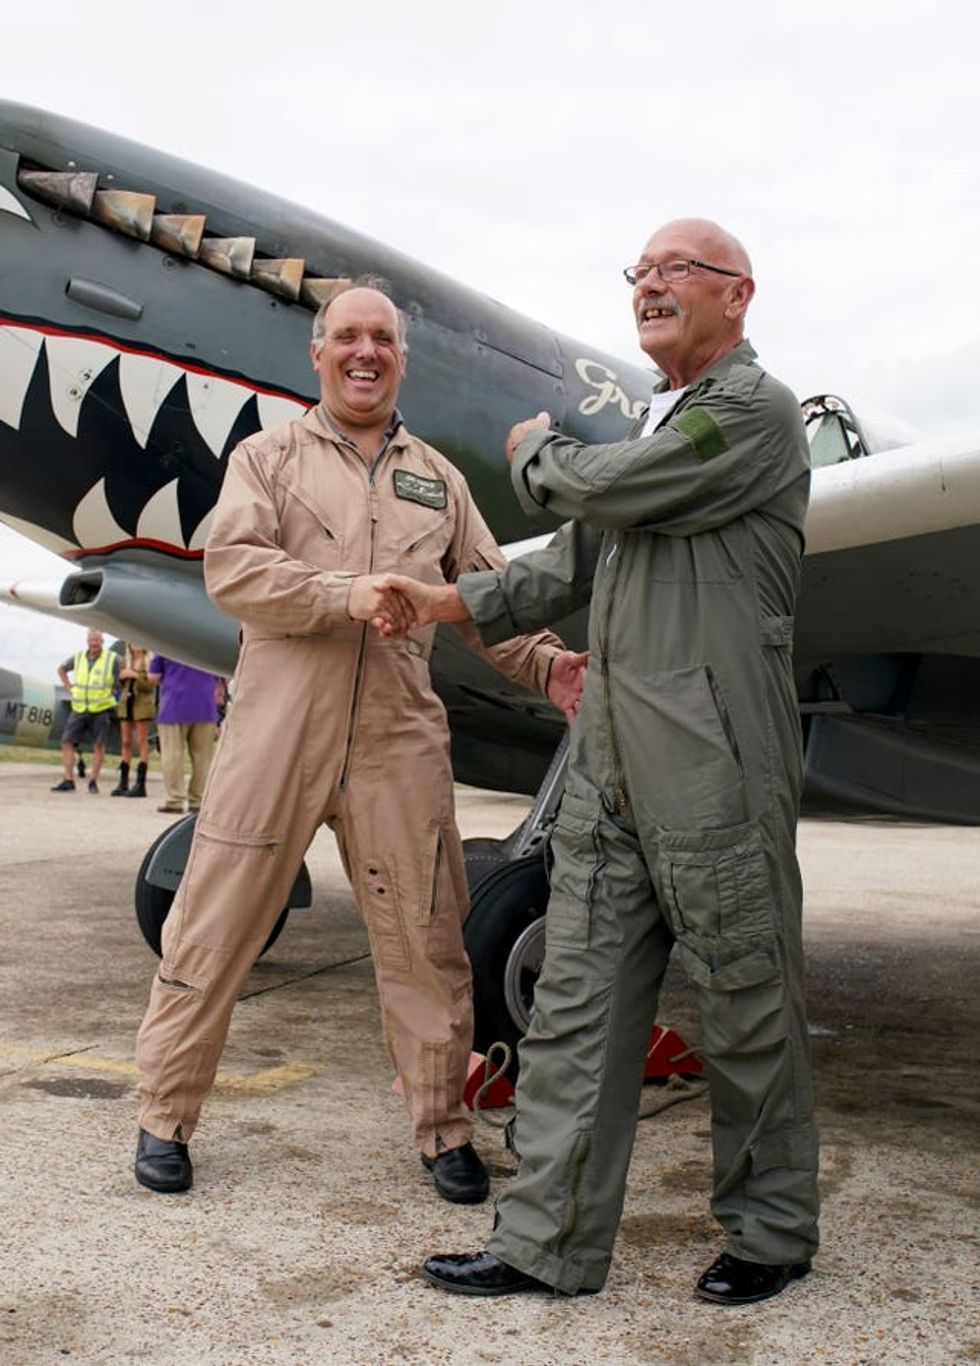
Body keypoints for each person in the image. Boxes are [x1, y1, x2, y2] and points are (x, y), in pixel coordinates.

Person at [379, 220, 819, 1306]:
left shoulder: (748, 413)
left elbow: (606, 490)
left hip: (713, 764)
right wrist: (445, 602)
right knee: (575, 1006)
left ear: (739, 294)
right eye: (641, 273)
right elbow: (566, 565)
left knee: (744, 1003)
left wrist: (535, 452)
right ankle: (545, 1243)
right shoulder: (656, 431)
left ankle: (770, 1232)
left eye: (678, 270)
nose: (650, 285)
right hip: (611, 762)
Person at [132, 283, 586, 1202]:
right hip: (277, 734)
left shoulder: (439, 481)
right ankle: (164, 1117)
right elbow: (235, 570)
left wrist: (548, 668)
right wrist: (345, 594)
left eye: (382, 338)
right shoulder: (267, 457)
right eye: (347, 337)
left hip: (397, 740)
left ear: (401, 360)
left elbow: (485, 598)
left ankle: (443, 1128)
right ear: (319, 354)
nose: (365, 352)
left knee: (427, 940)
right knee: (212, 929)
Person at [147, 655, 222, 814]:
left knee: (172, 756)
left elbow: (153, 677)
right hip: (205, 706)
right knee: (203, 758)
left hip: (173, 705)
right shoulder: (209, 647)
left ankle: (175, 800)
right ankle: (198, 800)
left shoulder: (165, 645)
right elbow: (220, 677)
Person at [51, 630, 120, 794]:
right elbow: (61, 669)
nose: (94, 643)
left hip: (100, 709)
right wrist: (69, 687)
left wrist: (113, 693)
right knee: (67, 741)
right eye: (92, 640)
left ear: (102, 642)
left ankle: (93, 781)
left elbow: (120, 677)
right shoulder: (79, 657)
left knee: (99, 745)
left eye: (97, 640)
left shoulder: (112, 659)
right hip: (79, 707)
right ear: (88, 642)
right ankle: (68, 780)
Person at [111, 643, 156, 798]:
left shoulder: (149, 661)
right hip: (126, 704)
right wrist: (122, 677)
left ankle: (140, 783)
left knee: (142, 741)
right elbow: (119, 684)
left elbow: (150, 686)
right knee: (125, 742)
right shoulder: (126, 661)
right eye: (132, 642)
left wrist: (135, 676)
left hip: (141, 704)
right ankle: (123, 782)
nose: (135, 645)